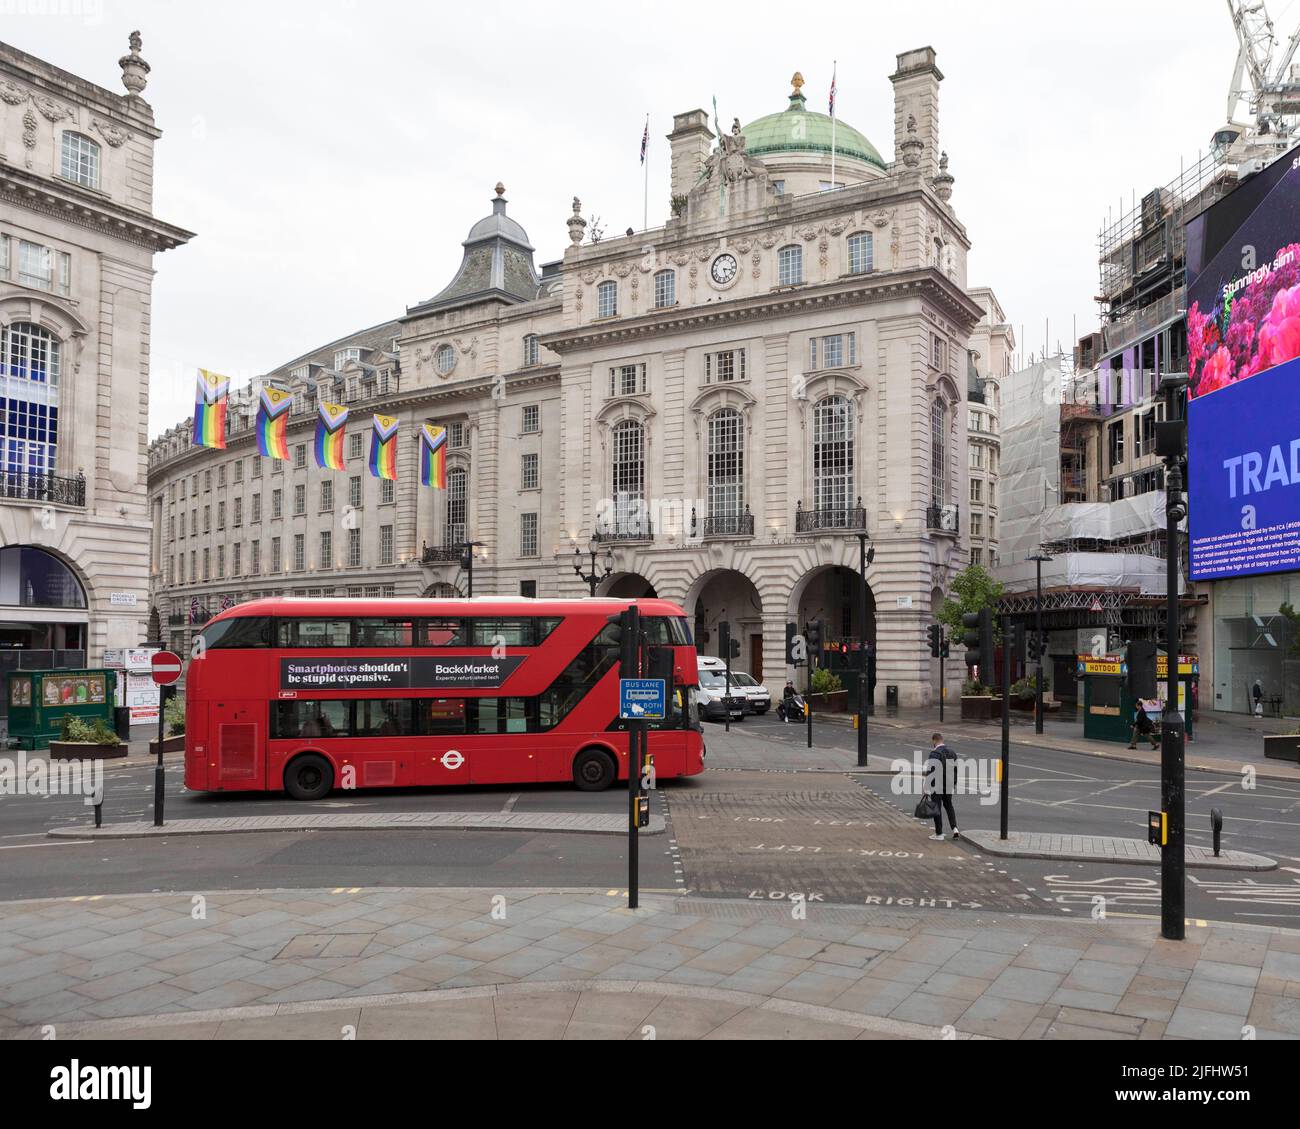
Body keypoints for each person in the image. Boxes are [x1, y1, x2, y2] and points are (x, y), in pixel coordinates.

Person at [925, 732, 960, 841]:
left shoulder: (934, 754)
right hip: (949, 785)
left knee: (937, 808)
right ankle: (955, 828)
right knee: (949, 805)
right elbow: (955, 770)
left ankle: (939, 834)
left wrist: (927, 787)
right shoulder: (952, 752)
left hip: (937, 786)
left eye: (933, 742)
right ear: (942, 740)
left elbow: (931, 772)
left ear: (934, 741)